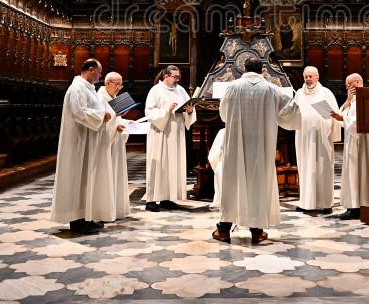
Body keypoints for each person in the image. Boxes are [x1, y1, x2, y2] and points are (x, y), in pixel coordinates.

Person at [212, 58, 299, 244]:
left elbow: (224, 114)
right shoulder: (270, 89)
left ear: (244, 68)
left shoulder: (233, 87)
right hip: (261, 144)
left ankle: (224, 230)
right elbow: (289, 109)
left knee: (232, 183)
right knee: (258, 184)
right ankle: (257, 232)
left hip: (237, 144)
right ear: (262, 70)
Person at [50, 58, 113, 234]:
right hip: (78, 143)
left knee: (87, 180)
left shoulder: (88, 89)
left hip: (89, 141)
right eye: (99, 72)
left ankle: (88, 217)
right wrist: (102, 116)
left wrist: (104, 115)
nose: (100, 76)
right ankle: (77, 221)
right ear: (91, 69)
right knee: (78, 179)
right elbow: (79, 112)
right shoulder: (77, 88)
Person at [144, 64, 196, 211]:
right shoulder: (156, 90)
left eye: (178, 76)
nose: (177, 79)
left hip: (176, 132)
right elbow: (149, 112)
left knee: (173, 165)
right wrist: (167, 110)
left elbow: (188, 108)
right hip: (161, 133)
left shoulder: (180, 90)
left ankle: (168, 198)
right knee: (159, 165)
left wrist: (190, 111)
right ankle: (152, 199)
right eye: (174, 76)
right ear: (165, 76)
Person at [292, 65, 340, 214]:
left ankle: (326, 203)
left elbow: (336, 115)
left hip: (322, 138)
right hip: (304, 138)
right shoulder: (299, 93)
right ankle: (307, 202)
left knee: (323, 169)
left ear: (317, 77)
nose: (308, 79)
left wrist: (335, 136)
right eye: (306, 77)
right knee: (306, 168)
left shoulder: (326, 93)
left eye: (311, 76)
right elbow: (293, 112)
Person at [330, 73, 369, 220]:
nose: (348, 87)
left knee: (358, 173)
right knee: (351, 174)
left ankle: (358, 207)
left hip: (361, 143)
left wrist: (343, 118)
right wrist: (347, 100)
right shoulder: (353, 99)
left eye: (349, 85)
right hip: (352, 142)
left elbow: (359, 121)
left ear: (357, 83)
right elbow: (343, 118)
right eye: (347, 85)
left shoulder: (367, 97)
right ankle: (353, 205)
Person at [97, 71, 131, 220]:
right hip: (105, 144)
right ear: (107, 83)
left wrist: (123, 123)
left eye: (121, 85)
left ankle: (116, 209)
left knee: (116, 174)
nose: (119, 88)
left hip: (115, 142)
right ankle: (104, 211)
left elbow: (115, 120)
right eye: (117, 84)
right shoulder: (99, 98)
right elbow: (98, 122)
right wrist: (115, 123)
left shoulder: (115, 98)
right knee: (106, 176)